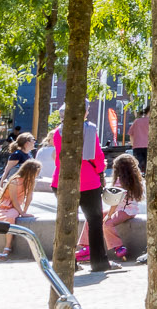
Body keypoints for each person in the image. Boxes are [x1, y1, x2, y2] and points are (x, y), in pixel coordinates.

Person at [47, 108, 113, 273]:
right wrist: (101, 168)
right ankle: (99, 262)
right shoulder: (89, 129)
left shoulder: (58, 131)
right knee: (95, 221)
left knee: (67, 220)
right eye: (87, 110)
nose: (88, 113)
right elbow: (96, 156)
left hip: (61, 180)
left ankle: (68, 262)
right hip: (88, 181)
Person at [101, 152, 144, 262]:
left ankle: (118, 246)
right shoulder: (135, 179)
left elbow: (115, 201)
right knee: (94, 217)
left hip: (125, 210)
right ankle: (85, 244)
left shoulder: (119, 181)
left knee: (107, 224)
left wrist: (109, 215)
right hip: (127, 209)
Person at [128, 106, 151, 171]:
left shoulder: (137, 121)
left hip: (137, 146)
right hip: (149, 146)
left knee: (137, 167)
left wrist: (133, 144)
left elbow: (131, 134)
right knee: (148, 167)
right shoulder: (152, 122)